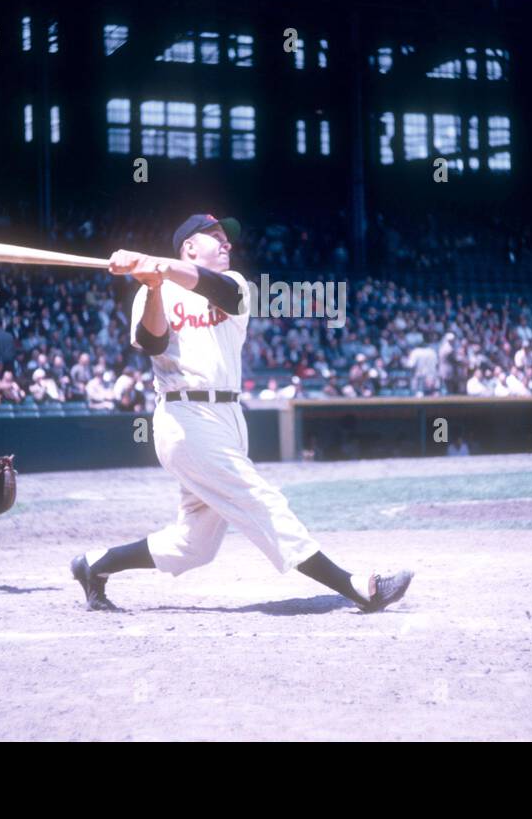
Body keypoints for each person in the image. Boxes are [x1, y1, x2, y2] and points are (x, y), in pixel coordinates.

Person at [68, 213, 413, 613]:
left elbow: (224, 295)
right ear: (190, 246)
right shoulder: (152, 292)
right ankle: (356, 587)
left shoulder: (234, 286)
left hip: (229, 416)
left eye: (227, 237)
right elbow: (152, 342)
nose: (227, 243)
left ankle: (94, 564)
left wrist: (158, 264)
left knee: (193, 545)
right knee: (259, 500)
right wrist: (154, 284)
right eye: (215, 236)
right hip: (185, 418)